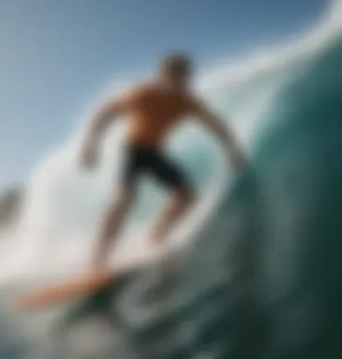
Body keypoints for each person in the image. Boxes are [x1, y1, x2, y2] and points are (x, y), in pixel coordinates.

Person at [81, 53, 245, 271]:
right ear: (162, 75)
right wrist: (91, 144)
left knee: (186, 196)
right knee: (125, 198)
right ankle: (98, 259)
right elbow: (105, 112)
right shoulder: (142, 93)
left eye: (185, 77)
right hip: (134, 149)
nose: (180, 82)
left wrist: (231, 150)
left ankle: (156, 236)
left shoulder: (187, 102)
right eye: (175, 76)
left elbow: (216, 125)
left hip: (155, 152)